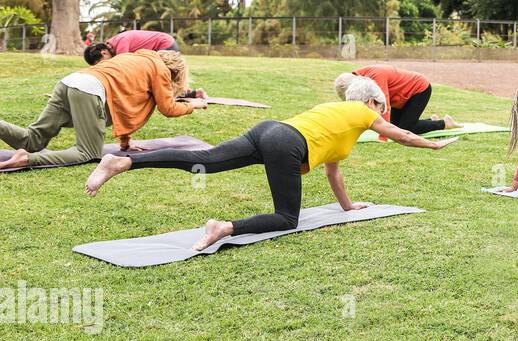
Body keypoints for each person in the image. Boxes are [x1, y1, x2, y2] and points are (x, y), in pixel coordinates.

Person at [85, 76, 458, 251]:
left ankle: (122, 163)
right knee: (286, 218)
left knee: (206, 160)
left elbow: (333, 169)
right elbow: (403, 135)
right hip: (286, 145)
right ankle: (222, 227)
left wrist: (348, 206)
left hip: (270, 132)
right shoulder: (362, 112)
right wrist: (433, 146)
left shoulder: (336, 114)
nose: (383, 114)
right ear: (374, 103)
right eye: (382, 109)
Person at [0, 50, 202, 170]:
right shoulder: (161, 70)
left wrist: (125, 141)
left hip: (69, 82)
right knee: (88, 153)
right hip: (89, 90)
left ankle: (24, 148)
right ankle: (27, 158)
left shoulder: (135, 58)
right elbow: (168, 108)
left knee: (33, 140)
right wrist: (192, 105)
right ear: (174, 71)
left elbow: (127, 101)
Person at [333, 66, 454, 136]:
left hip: (418, 89)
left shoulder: (375, 76)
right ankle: (431, 120)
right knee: (395, 127)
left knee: (405, 129)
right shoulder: (358, 78)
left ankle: (444, 123)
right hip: (400, 96)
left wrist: (383, 135)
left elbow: (384, 104)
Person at [84, 29, 179, 65]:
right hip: (162, 45)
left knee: (162, 75)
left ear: (103, 53)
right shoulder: (113, 45)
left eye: (101, 63)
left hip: (165, 45)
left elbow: (124, 67)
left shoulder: (121, 43)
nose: (103, 66)